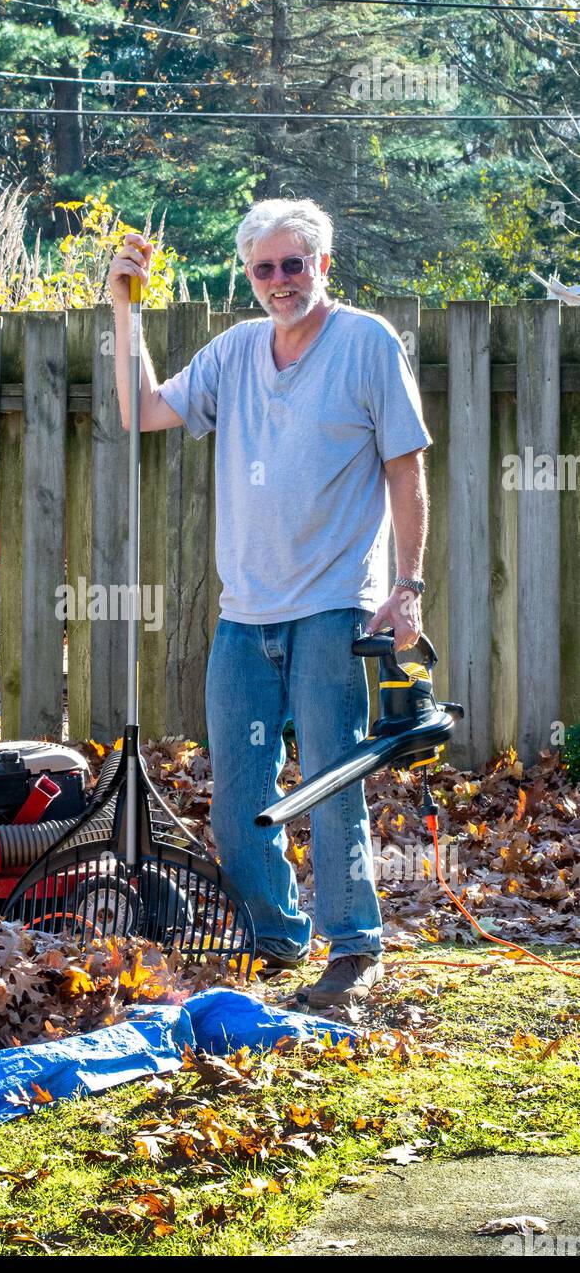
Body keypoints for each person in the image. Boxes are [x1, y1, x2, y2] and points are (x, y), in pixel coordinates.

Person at [107, 197, 432, 1008]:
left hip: (332, 604)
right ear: (249, 276)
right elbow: (141, 412)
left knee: (330, 781)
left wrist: (408, 586)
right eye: (265, 268)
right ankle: (277, 936)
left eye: (295, 264)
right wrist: (122, 310)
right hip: (244, 613)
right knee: (241, 801)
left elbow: (406, 469)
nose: (280, 280)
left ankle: (355, 947)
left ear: (322, 264)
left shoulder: (365, 344)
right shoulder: (236, 351)